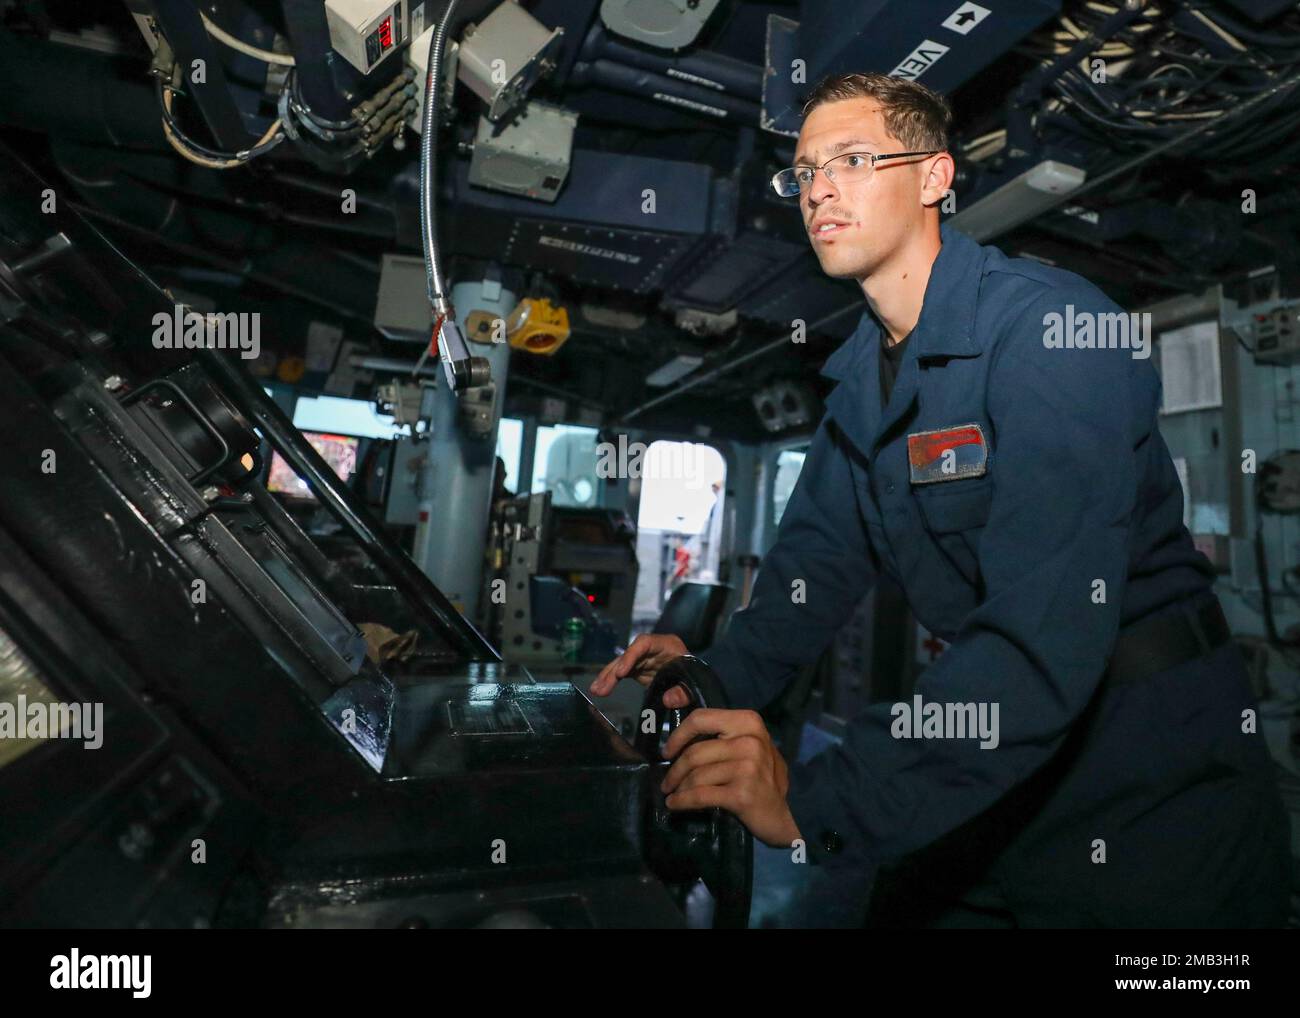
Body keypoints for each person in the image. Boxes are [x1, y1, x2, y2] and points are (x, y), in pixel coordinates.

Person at [591, 72, 1290, 927]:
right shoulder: (859, 379)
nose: (820, 191)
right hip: (986, 759)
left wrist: (818, 805)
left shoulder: (1048, 336)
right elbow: (810, 572)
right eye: (804, 172)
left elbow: (1041, 637)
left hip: (1146, 777)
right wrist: (703, 678)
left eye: (852, 159)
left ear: (934, 177)